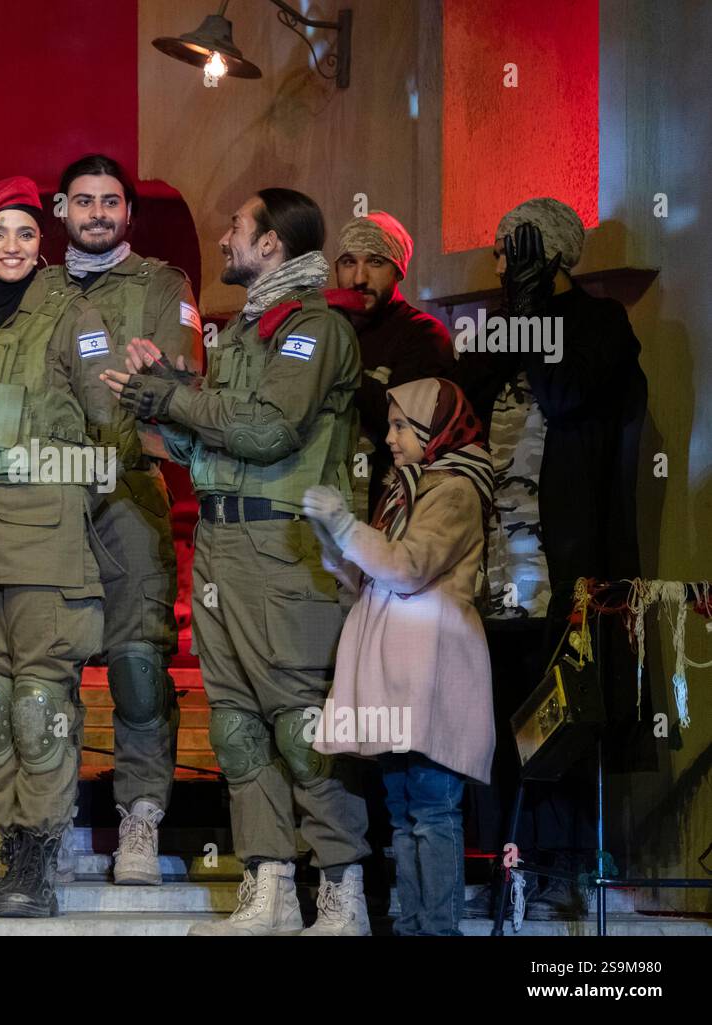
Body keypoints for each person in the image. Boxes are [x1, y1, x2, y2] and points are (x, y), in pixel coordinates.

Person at [102, 188, 372, 935]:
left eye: (237, 229)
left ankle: (341, 890)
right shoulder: (247, 333)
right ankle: (269, 882)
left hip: (286, 547)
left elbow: (268, 431)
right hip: (222, 540)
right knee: (236, 723)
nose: (224, 240)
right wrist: (155, 397)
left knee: (300, 721)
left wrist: (178, 399)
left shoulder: (313, 329)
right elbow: (207, 444)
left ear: (274, 245)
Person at [0, 176, 139, 918]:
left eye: (23, 233)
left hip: (46, 544)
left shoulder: (74, 317)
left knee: (37, 705)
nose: (12, 247)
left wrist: (62, 478)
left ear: (39, 242)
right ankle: (13, 851)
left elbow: (114, 430)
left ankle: (40, 864)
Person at [453, 198, 649, 918]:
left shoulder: (599, 325)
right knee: (494, 723)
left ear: (547, 255)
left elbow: (566, 396)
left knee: (559, 723)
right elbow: (459, 403)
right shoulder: (498, 329)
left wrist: (538, 311)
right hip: (488, 572)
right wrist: (519, 315)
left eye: (512, 251)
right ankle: (502, 866)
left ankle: (562, 864)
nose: (500, 265)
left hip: (562, 571)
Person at [39, 154, 203, 884]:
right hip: (44, 497)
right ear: (60, 208)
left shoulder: (164, 284)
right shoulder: (36, 286)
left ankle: (139, 819)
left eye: (111, 201)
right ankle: (51, 822)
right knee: (48, 669)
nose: (98, 213)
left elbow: (190, 381)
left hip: (128, 490)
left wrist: (158, 378)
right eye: (84, 200)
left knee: (137, 663)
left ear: (128, 214)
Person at [303, 377, 497, 935]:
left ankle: (435, 929)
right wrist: (333, 540)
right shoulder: (404, 489)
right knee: (404, 809)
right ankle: (413, 925)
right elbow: (369, 575)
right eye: (388, 426)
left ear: (432, 429)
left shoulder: (455, 491)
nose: (388, 438)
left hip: (431, 670)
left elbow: (409, 566)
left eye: (399, 426)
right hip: (392, 671)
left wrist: (347, 528)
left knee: (432, 809)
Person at [332, 212, 454, 520]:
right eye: (348, 262)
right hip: (321, 514)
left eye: (375, 262)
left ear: (398, 270)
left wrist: (339, 368)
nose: (359, 279)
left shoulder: (422, 334)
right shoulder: (325, 330)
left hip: (384, 515)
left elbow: (411, 429)